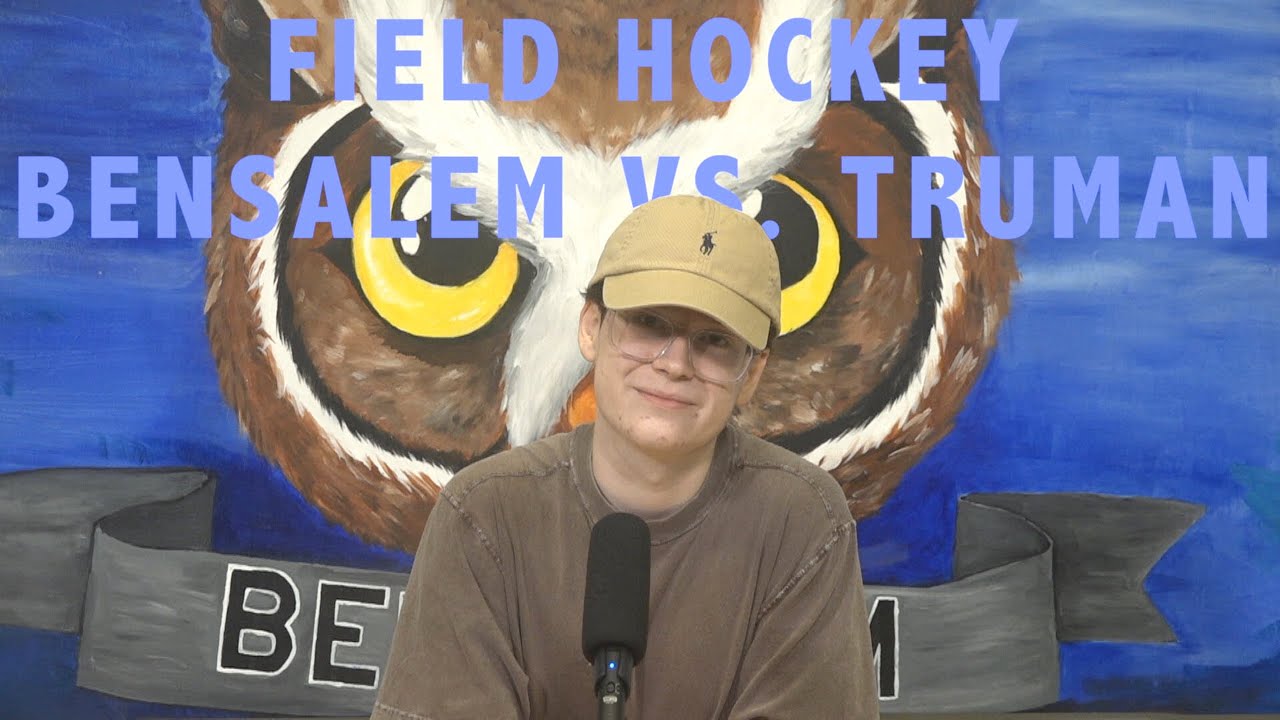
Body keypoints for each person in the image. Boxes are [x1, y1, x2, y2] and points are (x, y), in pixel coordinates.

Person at [371, 194, 879, 719]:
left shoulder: (801, 521)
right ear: (591, 327)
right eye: (649, 323)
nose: (675, 364)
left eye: (714, 341)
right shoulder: (484, 515)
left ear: (752, 372)